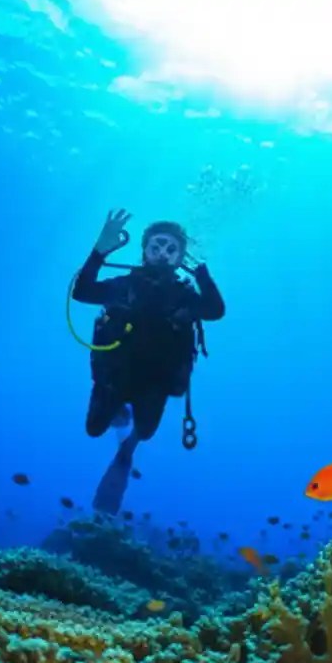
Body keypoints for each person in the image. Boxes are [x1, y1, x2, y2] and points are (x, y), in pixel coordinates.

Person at [71, 208, 225, 514]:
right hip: (114, 376)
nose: (162, 254)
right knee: (94, 428)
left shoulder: (184, 295)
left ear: (181, 257)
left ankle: (126, 448)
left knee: (145, 431)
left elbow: (216, 310)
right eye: (156, 246)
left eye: (171, 249)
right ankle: (119, 416)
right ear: (144, 251)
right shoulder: (124, 286)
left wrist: (202, 273)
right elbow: (82, 291)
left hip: (155, 382)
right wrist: (100, 251)